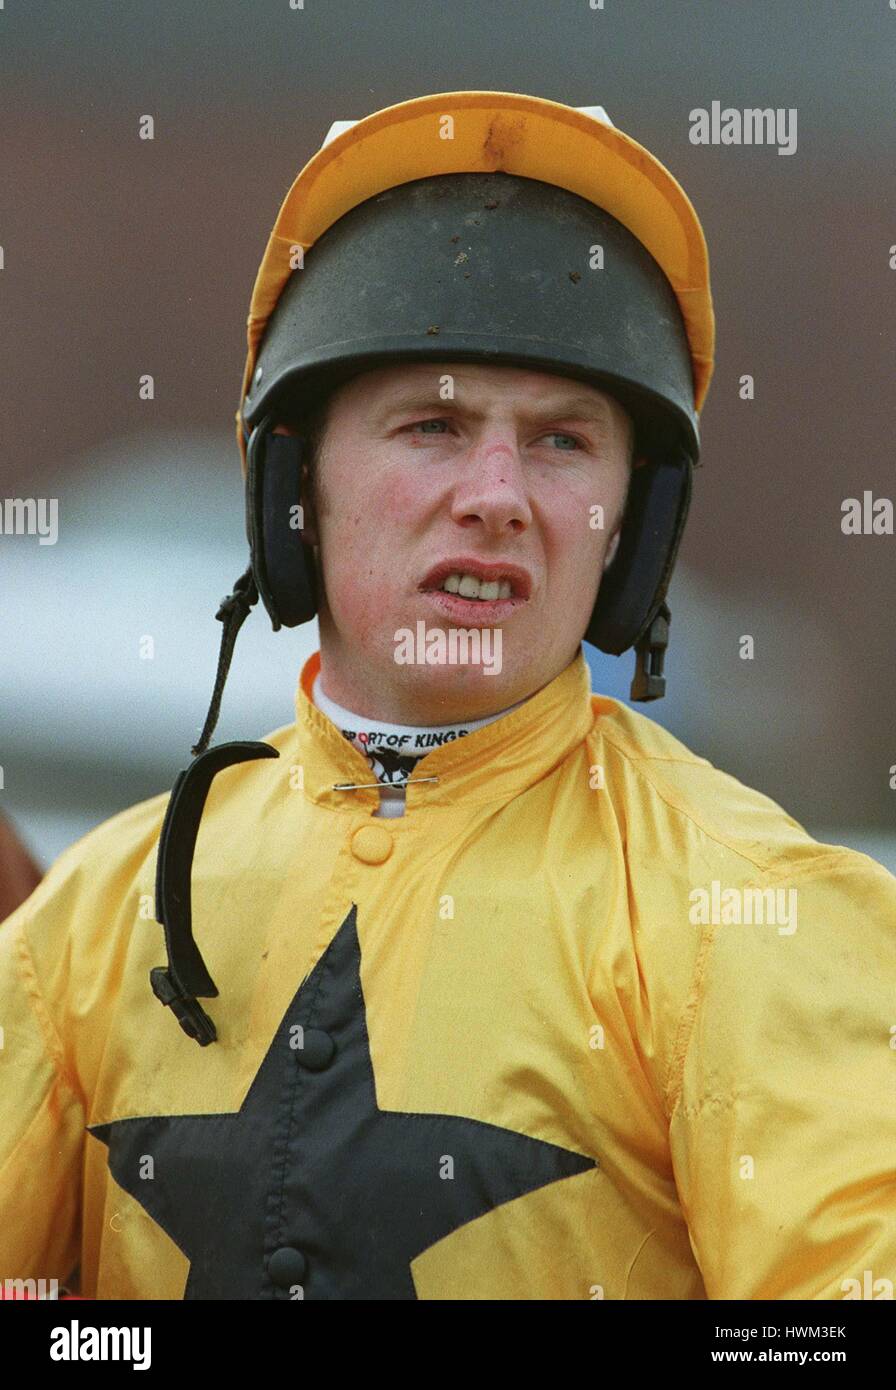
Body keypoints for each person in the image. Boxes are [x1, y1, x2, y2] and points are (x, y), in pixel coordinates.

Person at [1, 91, 893, 1301]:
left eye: (562, 440)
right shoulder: (93, 924)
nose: (496, 493)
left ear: (631, 531)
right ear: (292, 489)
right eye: (431, 423)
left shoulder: (757, 918)